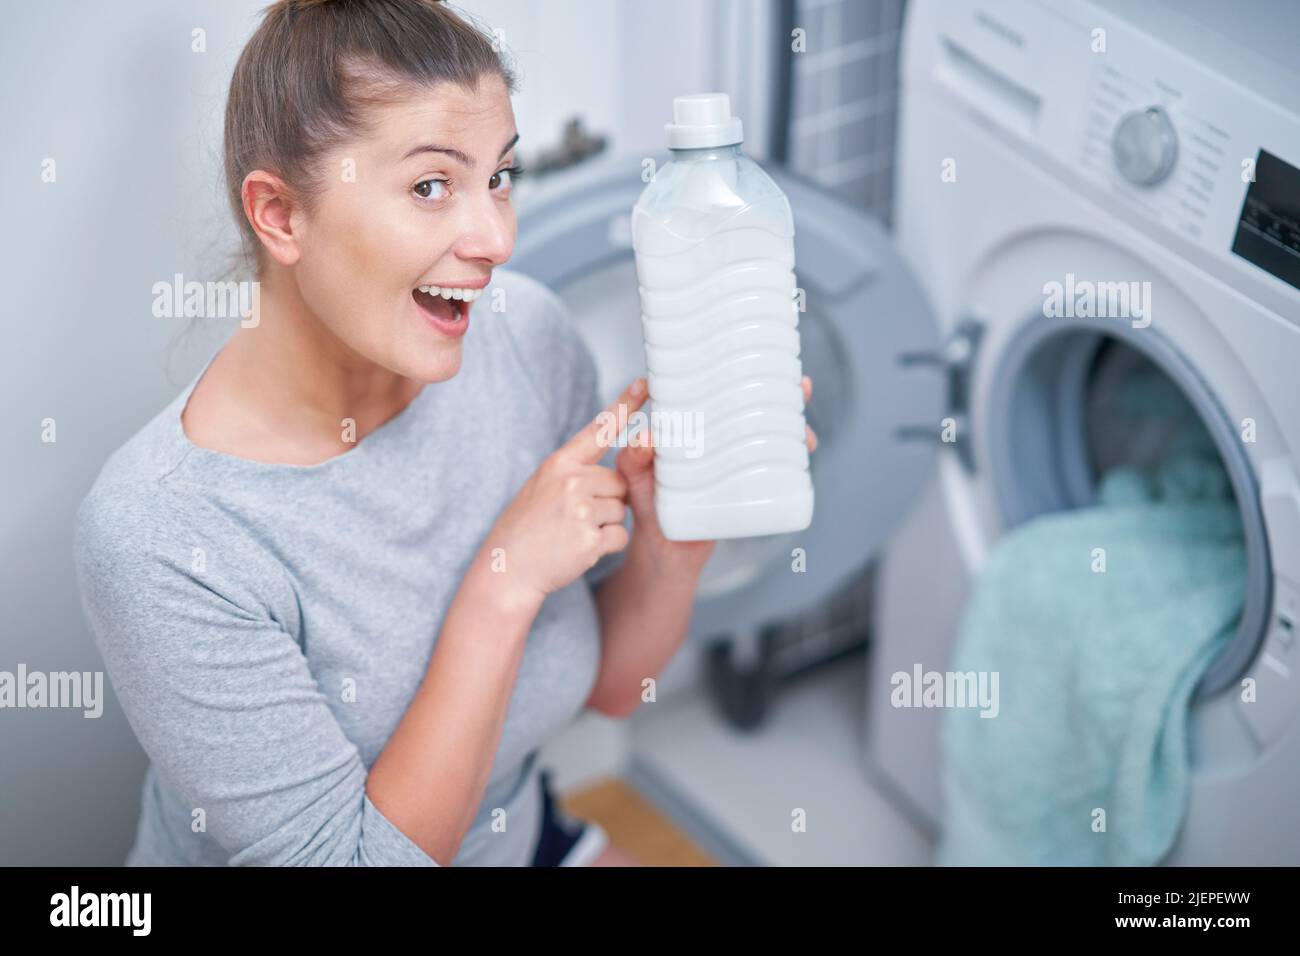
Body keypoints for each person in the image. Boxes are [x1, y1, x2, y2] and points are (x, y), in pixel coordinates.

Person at [72, 0, 814, 867]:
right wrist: (504, 582)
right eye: (432, 187)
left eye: (500, 176)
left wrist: (670, 544)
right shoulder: (164, 534)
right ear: (279, 215)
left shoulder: (528, 338)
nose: (496, 239)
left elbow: (611, 688)